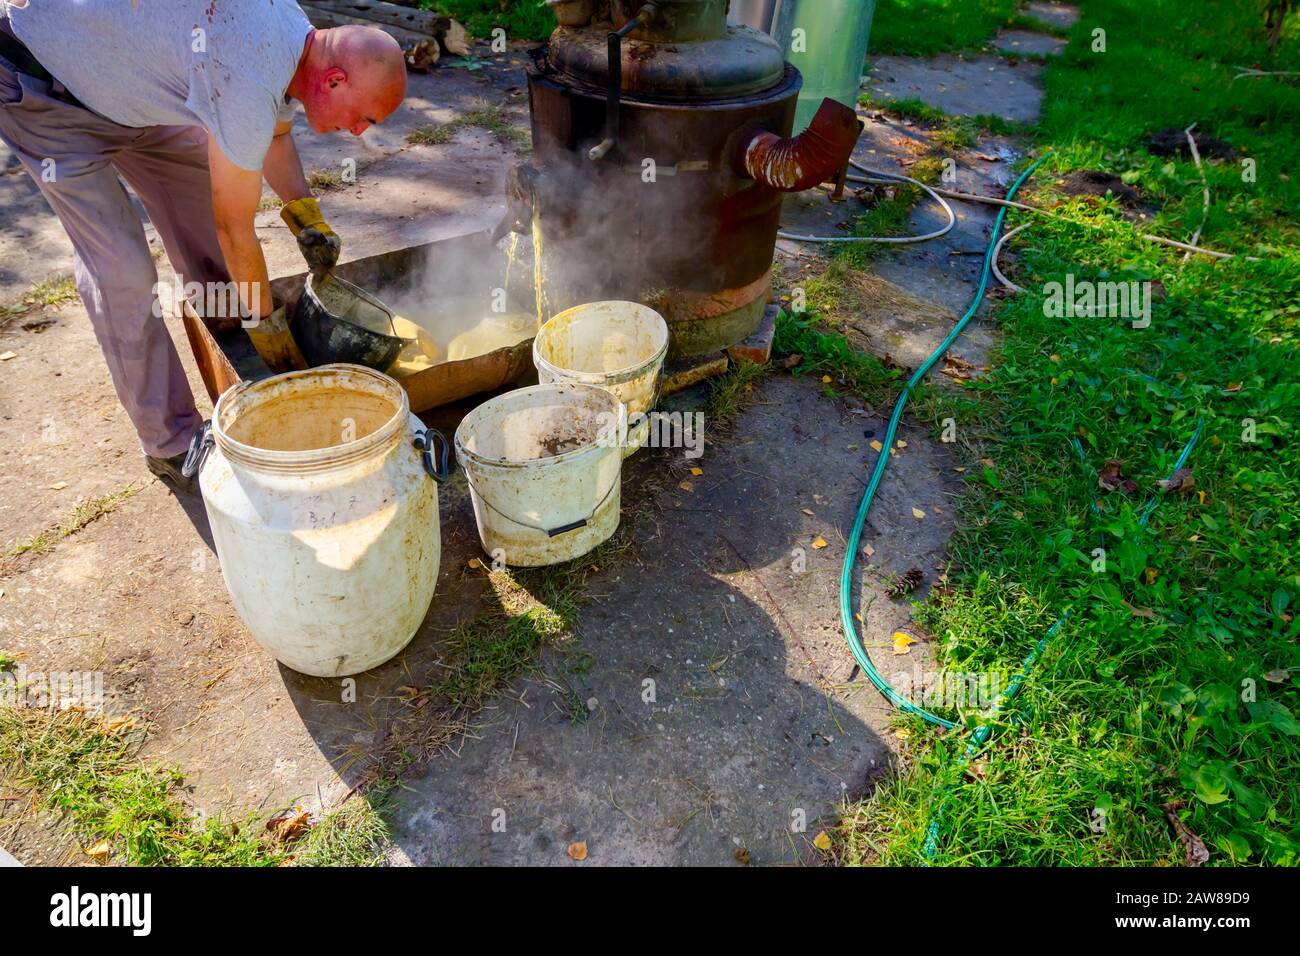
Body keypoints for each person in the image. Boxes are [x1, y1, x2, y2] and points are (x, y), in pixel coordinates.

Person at [0, 0, 407, 492]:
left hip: (137, 89)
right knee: (124, 272)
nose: (360, 132)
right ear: (335, 80)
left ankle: (232, 354)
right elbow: (236, 228)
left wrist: (306, 217)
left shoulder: (290, 39)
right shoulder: (247, 72)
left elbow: (275, 133)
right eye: (365, 117)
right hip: (46, 86)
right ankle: (170, 441)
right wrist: (272, 332)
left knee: (203, 221)